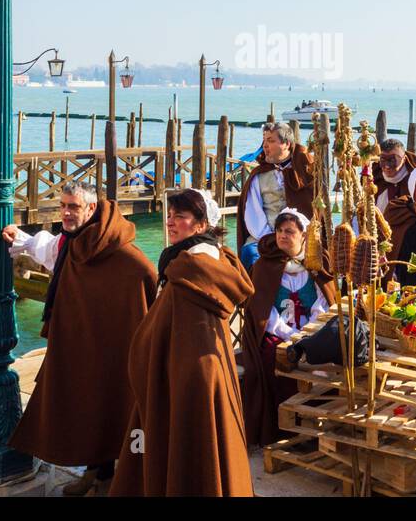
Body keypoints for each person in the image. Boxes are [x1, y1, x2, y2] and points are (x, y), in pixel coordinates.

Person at [2, 182, 157, 496]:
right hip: (80, 343)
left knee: (113, 407)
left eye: (73, 206)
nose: (66, 212)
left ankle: (109, 478)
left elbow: (147, 279)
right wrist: (19, 237)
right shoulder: (70, 243)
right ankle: (93, 474)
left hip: (114, 348)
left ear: (91, 209)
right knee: (86, 409)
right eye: (62, 206)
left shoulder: (124, 253)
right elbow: (44, 250)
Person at [111, 189, 254, 496]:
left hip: (185, 376)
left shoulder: (188, 268)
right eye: (170, 215)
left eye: (181, 217)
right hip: (207, 373)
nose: (170, 223)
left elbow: (184, 330)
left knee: (182, 449)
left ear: (201, 225)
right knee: (206, 449)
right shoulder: (214, 260)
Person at [239, 207, 336, 448]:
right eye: (280, 230)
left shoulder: (316, 264)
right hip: (277, 333)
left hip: (313, 331)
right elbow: (265, 312)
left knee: (326, 356)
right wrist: (290, 334)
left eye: (290, 231)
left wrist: (308, 333)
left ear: (303, 235)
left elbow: (322, 303)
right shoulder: (265, 266)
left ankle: (315, 426)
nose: (283, 235)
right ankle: (284, 429)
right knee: (274, 357)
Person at [234, 121, 314, 269]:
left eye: (270, 141)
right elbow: (253, 214)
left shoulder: (306, 171)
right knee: (250, 254)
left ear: (287, 144)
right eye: (264, 141)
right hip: (264, 237)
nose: (264, 146)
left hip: (300, 236)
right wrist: (273, 239)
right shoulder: (258, 176)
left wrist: (296, 238)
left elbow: (314, 209)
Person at [373, 138, 416, 213]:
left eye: (392, 160)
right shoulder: (375, 177)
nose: (387, 166)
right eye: (383, 160)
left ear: (404, 159)